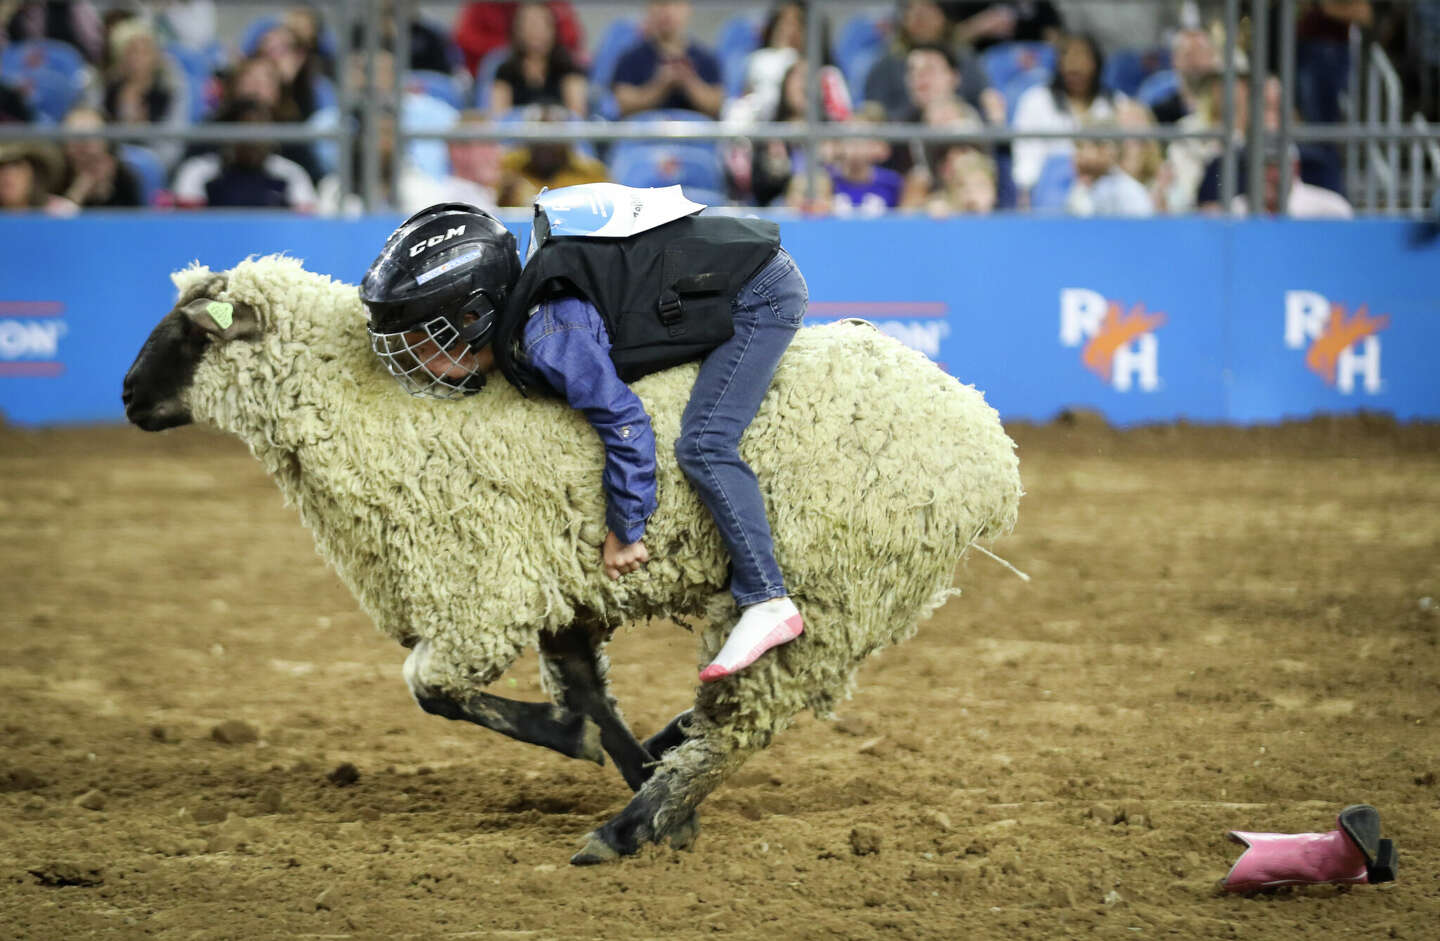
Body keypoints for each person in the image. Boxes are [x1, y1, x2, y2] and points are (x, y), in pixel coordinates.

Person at [360, 189, 810, 681]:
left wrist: (624, 530)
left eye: (428, 340)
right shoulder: (536, 310)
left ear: (474, 318)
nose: (420, 363)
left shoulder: (550, 338)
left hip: (761, 291)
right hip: (726, 273)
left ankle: (768, 599)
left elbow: (628, 423)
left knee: (705, 442)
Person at [1010, 32, 1117, 201]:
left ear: (1096, 63)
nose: (1074, 64)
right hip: (1050, 193)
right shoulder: (1036, 101)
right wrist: (1026, 195)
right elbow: (1026, 156)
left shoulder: (1116, 103)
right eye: (1067, 56)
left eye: (1082, 56)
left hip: (1107, 191)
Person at [863, 0, 997, 122]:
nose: (920, 16)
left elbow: (987, 107)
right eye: (912, 9)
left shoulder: (965, 59)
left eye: (928, 8)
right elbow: (874, 114)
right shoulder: (886, 64)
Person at [171, 98, 316, 210]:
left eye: (260, 129)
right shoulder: (198, 171)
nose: (253, 140)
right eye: (247, 128)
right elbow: (187, 224)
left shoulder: (291, 173)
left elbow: (304, 225)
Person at [611, 0, 724, 118]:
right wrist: (660, 85)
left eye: (675, 4)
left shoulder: (706, 59)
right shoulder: (630, 59)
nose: (667, 11)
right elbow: (622, 106)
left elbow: (717, 106)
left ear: (687, 9)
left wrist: (689, 81)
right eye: (660, 4)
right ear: (649, 9)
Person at [495, 105, 609, 206]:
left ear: (567, 142)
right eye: (539, 140)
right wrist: (506, 197)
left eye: (552, 140)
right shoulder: (511, 167)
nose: (546, 146)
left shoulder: (591, 173)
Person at [488, 1, 588, 117]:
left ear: (553, 29)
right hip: (518, 134)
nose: (536, 31)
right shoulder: (505, 70)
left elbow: (577, 115)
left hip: (559, 133)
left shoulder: (568, 67)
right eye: (529, 24)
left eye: (541, 24)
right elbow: (499, 117)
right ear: (517, 30)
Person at [454, 1, 584, 75]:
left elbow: (572, 35)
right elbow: (464, 38)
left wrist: (537, 44)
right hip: (493, 68)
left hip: (551, 65)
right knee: (495, 62)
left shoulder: (553, 5)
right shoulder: (482, 6)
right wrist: (516, 44)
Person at [57, 106, 145, 208]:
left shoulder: (124, 177)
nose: (82, 145)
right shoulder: (55, 174)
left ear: (106, 143)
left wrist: (107, 195)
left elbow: (133, 219)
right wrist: (78, 193)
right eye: (74, 137)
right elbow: (51, 221)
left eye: (90, 137)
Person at [1064, 123, 1154, 217]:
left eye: (1084, 147)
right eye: (1078, 148)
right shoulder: (1077, 188)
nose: (1078, 155)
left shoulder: (1130, 192)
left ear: (1106, 150)